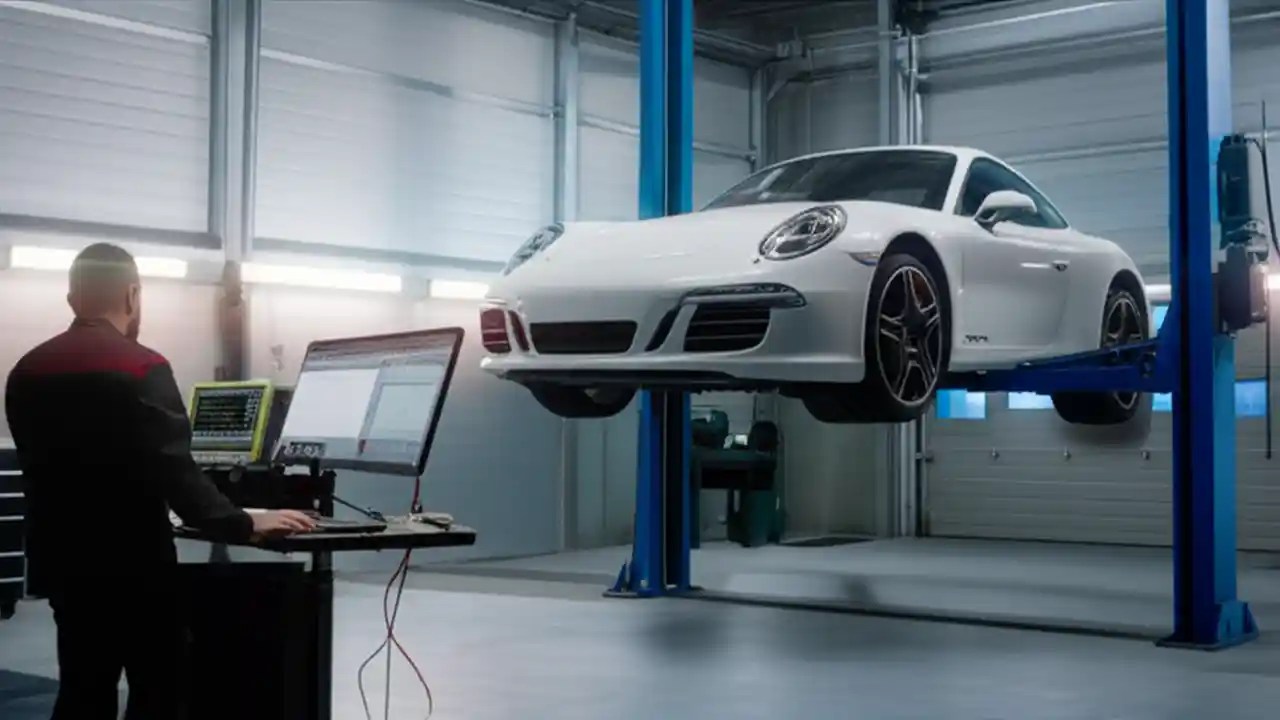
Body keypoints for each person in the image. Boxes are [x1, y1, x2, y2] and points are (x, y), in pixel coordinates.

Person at [3, 243, 316, 719]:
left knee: (85, 686)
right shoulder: (141, 366)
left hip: (64, 565)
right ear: (132, 295)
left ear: (71, 300)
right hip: (134, 567)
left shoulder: (27, 370)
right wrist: (244, 523)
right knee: (160, 688)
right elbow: (175, 473)